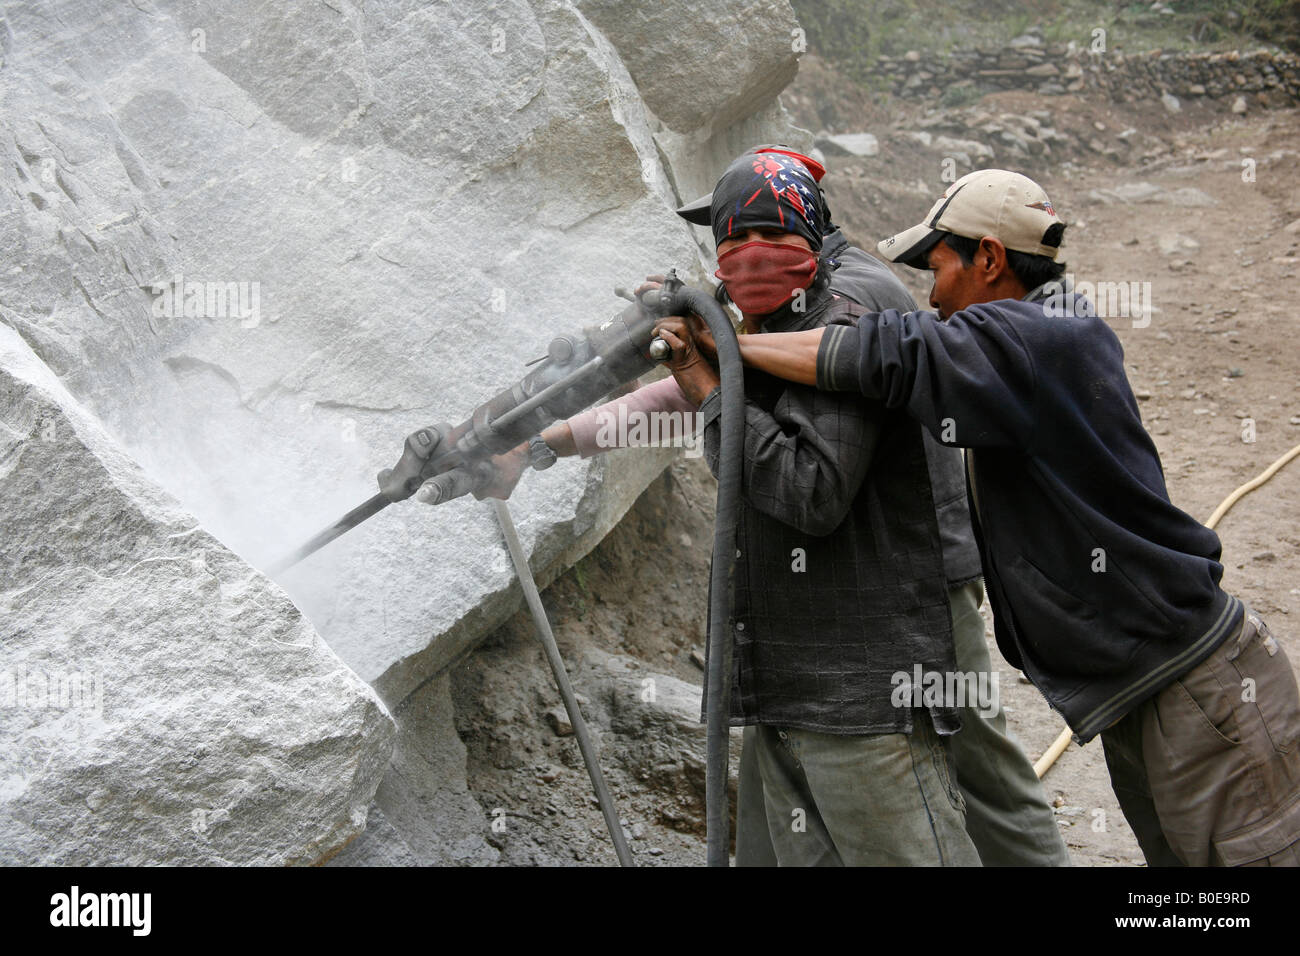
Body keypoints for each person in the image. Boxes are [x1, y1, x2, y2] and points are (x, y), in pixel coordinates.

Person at [680, 167, 1300, 866]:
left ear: (991, 258)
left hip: (1201, 695)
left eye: (938, 266)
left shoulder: (1031, 338)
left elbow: (877, 353)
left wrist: (721, 355)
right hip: (1152, 692)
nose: (933, 290)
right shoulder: (1035, 334)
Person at [452, 149, 981, 865]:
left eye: (745, 240)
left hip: (890, 623)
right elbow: (686, 398)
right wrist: (542, 440)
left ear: (797, 229)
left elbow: (801, 484)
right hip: (806, 651)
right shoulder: (781, 308)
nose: (734, 262)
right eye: (728, 247)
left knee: (980, 800)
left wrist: (704, 368)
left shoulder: (848, 304)